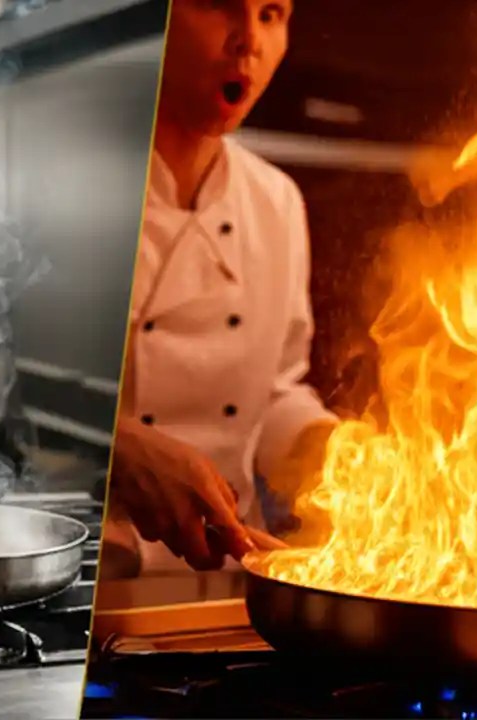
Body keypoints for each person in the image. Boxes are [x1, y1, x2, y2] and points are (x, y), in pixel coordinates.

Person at [100, 0, 340, 577]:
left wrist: (341, 457)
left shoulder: (276, 202)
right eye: (220, 7)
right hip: (97, 578)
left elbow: (276, 390)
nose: (249, 42)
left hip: (230, 581)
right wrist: (117, 452)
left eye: (271, 14)